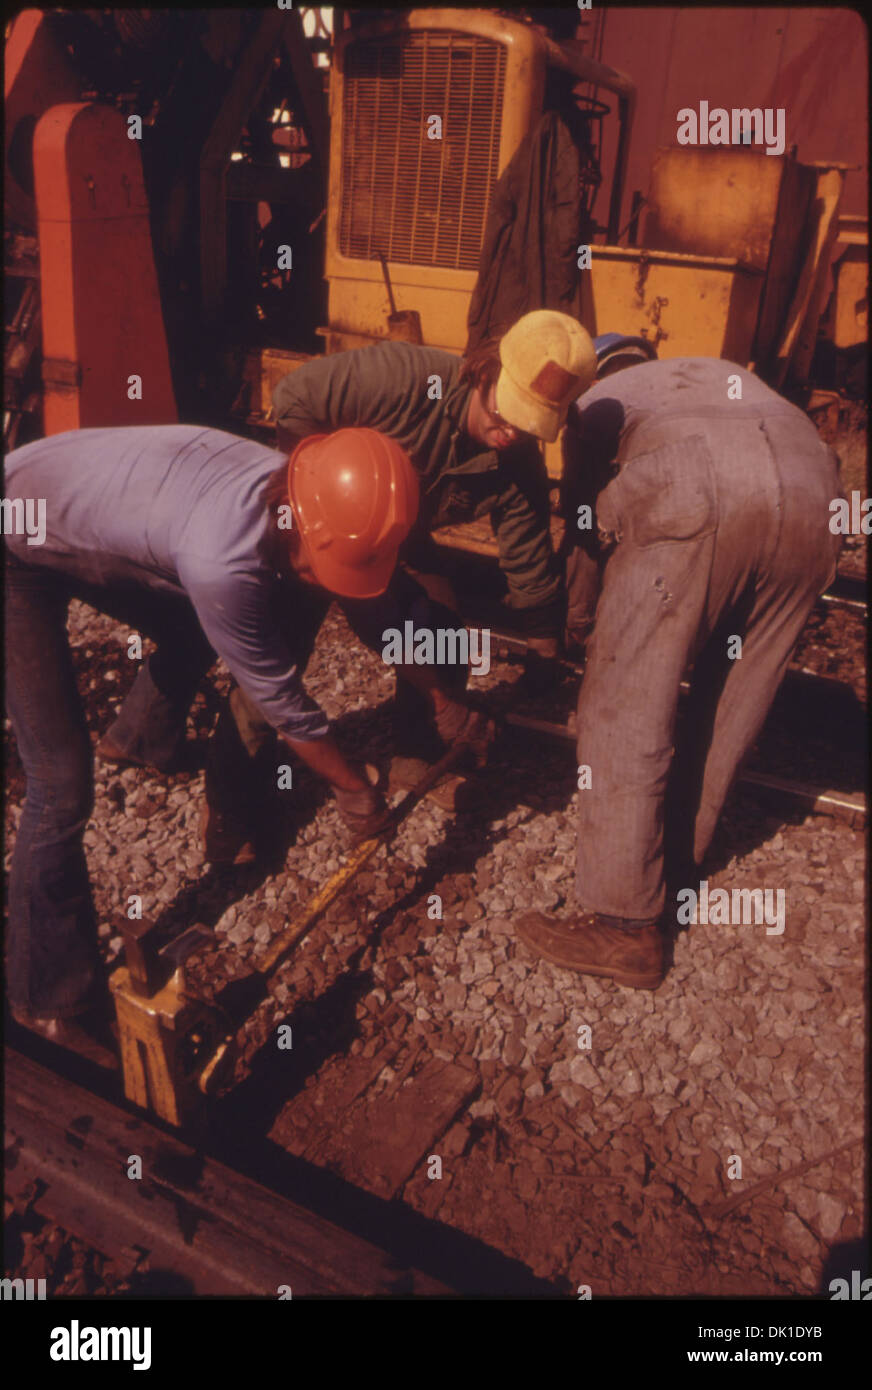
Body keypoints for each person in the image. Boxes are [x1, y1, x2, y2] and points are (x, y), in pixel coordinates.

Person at [3, 423, 466, 1059]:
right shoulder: (222, 563)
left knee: (204, 625)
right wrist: (353, 787)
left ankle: (142, 739)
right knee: (59, 785)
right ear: (295, 521)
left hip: (64, 495)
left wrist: (438, 689)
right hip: (16, 541)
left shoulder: (294, 491)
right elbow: (285, 706)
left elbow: (359, 599)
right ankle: (45, 1000)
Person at [516, 357, 844, 988]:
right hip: (814, 491)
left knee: (625, 698)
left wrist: (579, 623)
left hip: (705, 483)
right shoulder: (710, 372)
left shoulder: (598, 404)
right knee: (738, 689)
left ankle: (624, 926)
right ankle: (678, 865)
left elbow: (586, 527)